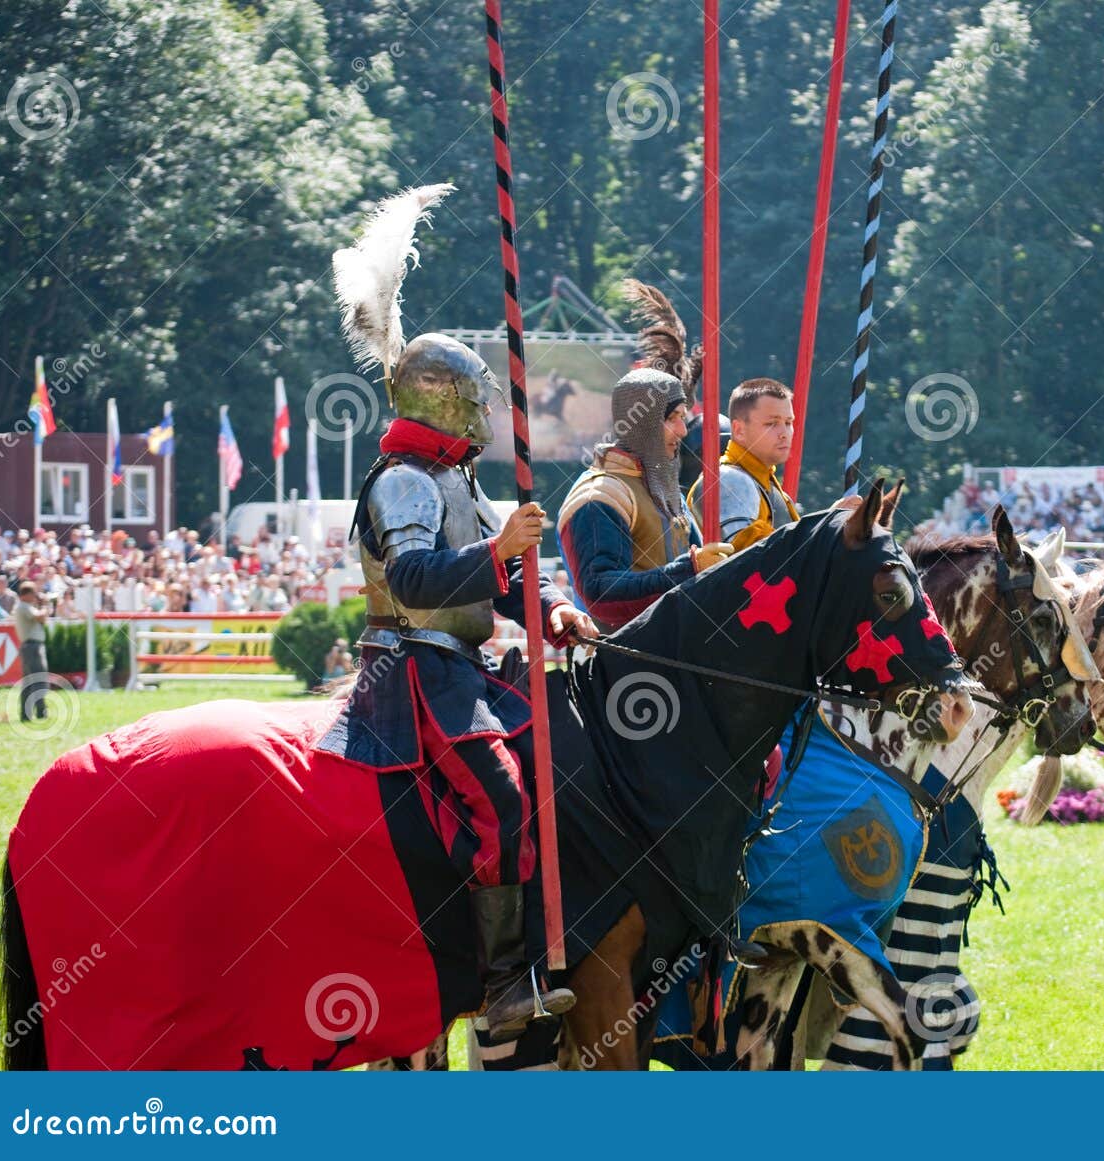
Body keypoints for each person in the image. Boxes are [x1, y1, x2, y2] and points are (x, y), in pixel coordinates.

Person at [316, 184, 599, 1038]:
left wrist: (553, 608)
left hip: (464, 664)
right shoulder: (404, 478)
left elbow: (501, 582)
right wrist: (501, 547)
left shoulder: (453, 479)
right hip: (412, 666)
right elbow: (415, 581)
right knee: (501, 801)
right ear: (441, 400)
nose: (483, 415)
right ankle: (500, 980)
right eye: (473, 401)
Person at [557, 282, 734, 631]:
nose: (683, 432)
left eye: (683, 418)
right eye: (673, 419)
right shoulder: (601, 495)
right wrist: (692, 568)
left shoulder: (665, 492)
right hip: (623, 671)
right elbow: (602, 598)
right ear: (643, 421)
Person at [686, 377, 799, 551]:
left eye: (788, 422)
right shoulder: (729, 481)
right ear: (738, 430)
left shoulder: (769, 486)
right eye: (771, 424)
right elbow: (752, 559)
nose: (784, 433)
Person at [13, 581, 49, 722]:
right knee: (38, 679)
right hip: (32, 647)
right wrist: (46, 605)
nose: (35, 596)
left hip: (30, 647)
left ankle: (26, 714)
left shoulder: (25, 607)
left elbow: (41, 620)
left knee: (29, 682)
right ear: (26, 594)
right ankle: (40, 711)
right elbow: (40, 617)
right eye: (33, 593)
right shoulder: (23, 607)